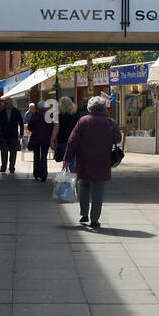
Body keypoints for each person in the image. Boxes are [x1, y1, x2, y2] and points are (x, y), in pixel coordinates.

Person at [62, 96, 121, 228]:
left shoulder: (83, 121)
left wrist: (67, 159)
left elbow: (73, 141)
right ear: (104, 108)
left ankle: (84, 214)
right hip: (102, 161)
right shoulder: (110, 122)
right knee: (98, 190)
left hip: (84, 160)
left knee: (83, 186)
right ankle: (95, 219)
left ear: (90, 108)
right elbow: (117, 138)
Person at [27, 99, 54, 181]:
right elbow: (52, 127)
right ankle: (44, 175)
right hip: (46, 139)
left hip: (36, 139)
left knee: (36, 156)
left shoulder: (34, 116)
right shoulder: (49, 116)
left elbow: (29, 127)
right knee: (44, 157)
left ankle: (36, 173)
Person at [0, 98, 23, 173]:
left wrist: (21, 133)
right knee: (4, 152)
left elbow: (21, 123)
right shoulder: (2, 112)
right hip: (4, 135)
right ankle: (3, 167)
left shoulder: (16, 111)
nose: (7, 105)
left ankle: (12, 167)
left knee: (13, 152)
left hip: (13, 135)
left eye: (9, 103)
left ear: (12, 103)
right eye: (6, 103)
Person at [53, 96, 79, 165]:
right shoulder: (75, 115)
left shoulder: (58, 115)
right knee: (72, 160)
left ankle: (68, 174)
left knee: (65, 160)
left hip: (62, 140)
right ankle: (71, 174)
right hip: (73, 139)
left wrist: (52, 140)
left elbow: (56, 128)